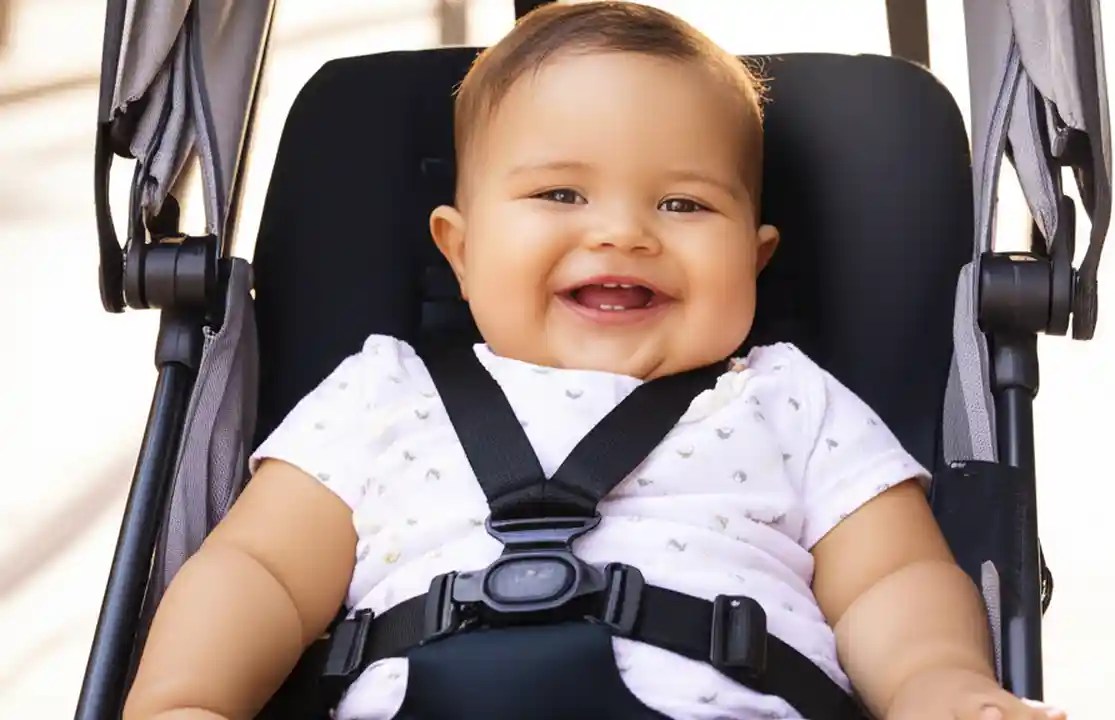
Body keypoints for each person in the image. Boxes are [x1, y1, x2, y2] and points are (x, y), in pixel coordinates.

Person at [123, 3, 1065, 719]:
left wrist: (940, 686)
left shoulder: (789, 399)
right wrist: (184, 699)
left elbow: (890, 580)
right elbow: (260, 571)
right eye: (562, 193)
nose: (622, 233)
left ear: (756, 256)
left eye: (685, 207)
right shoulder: (383, 391)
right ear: (457, 248)